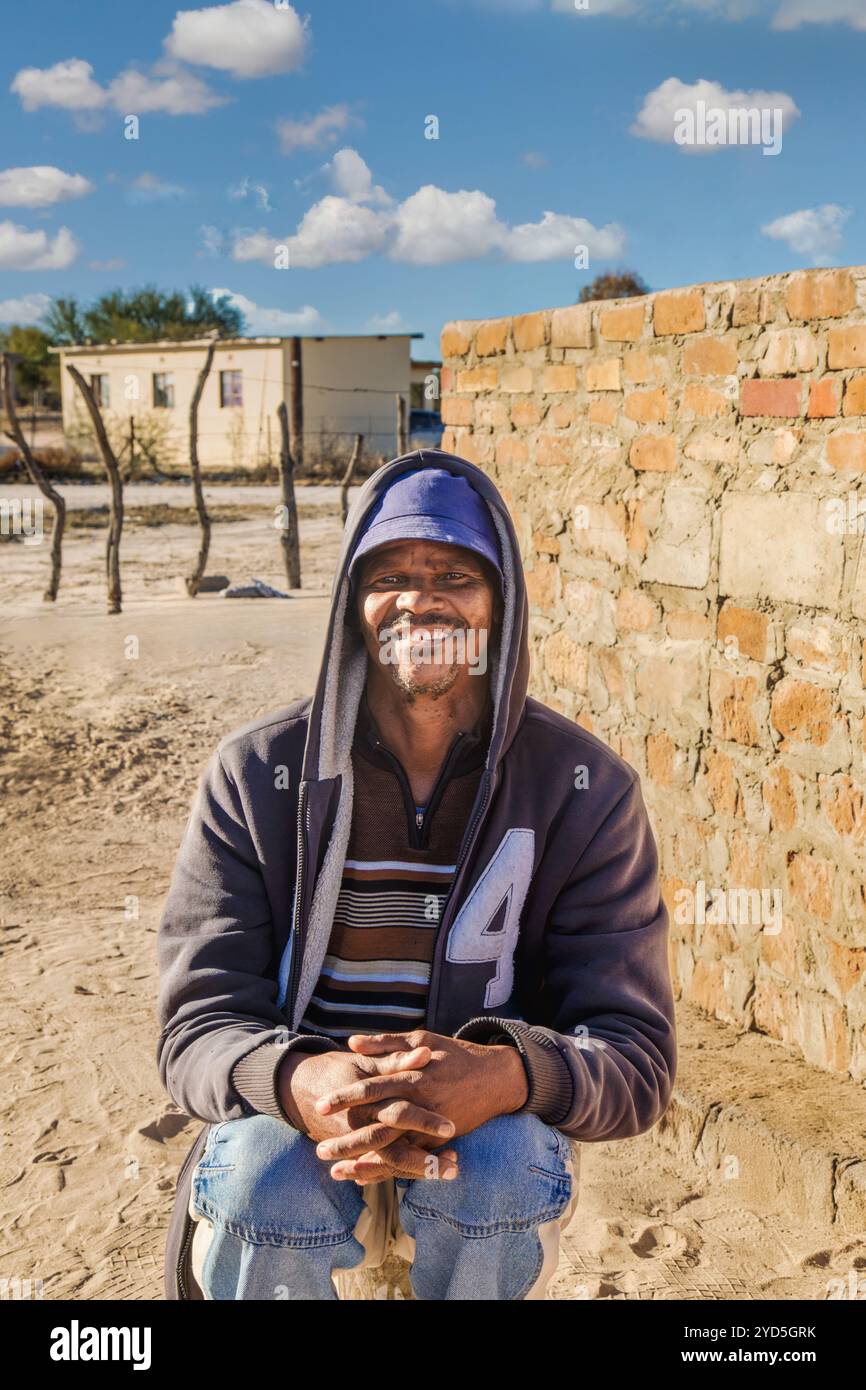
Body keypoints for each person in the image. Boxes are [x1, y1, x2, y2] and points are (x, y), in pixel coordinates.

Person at [157, 449, 677, 1301]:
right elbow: (196, 1025)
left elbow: (636, 1056)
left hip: (482, 1150)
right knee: (262, 1180)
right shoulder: (257, 775)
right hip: (306, 1137)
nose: (419, 598)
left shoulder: (584, 788)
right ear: (353, 606)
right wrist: (295, 1079)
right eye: (390, 573)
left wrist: (504, 1074)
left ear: (500, 604)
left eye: (454, 574)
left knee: (502, 1170)